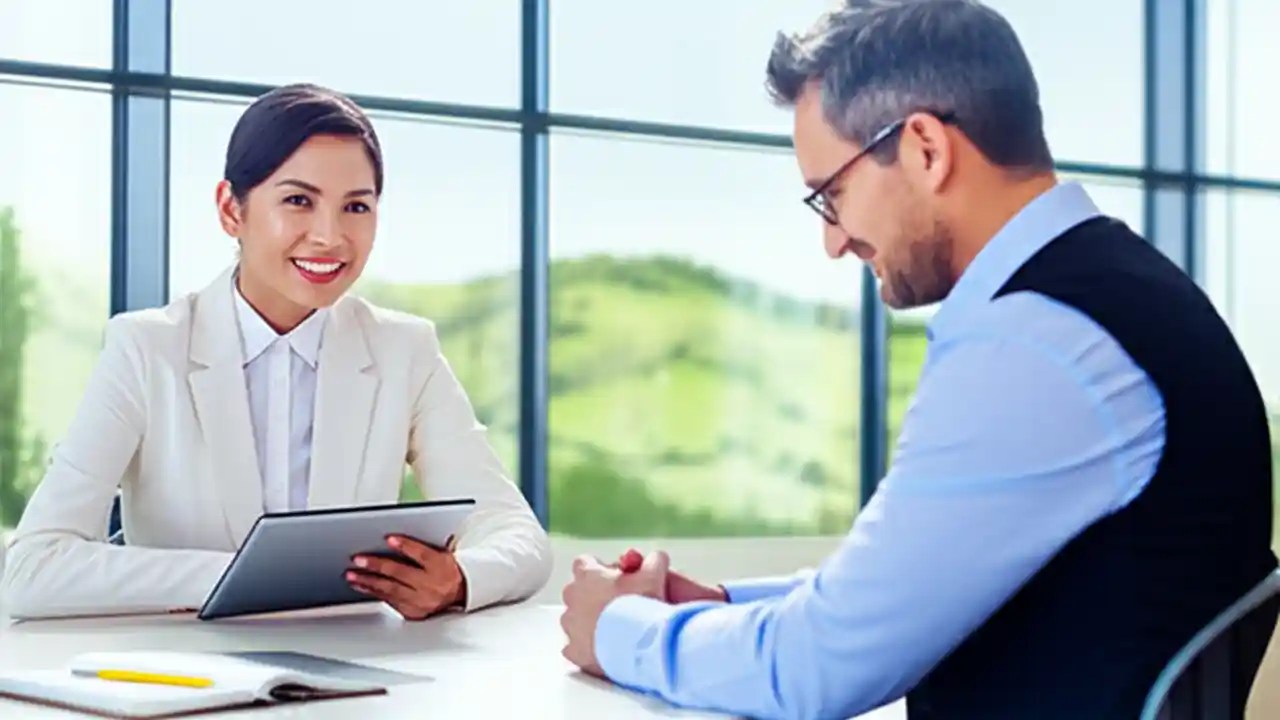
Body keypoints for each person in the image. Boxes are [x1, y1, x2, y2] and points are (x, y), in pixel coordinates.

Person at [559, 1, 1277, 718]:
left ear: (926, 148)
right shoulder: (1119, 298)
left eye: (831, 195)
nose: (833, 241)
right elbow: (912, 588)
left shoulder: (1038, 346)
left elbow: (813, 671)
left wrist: (617, 630)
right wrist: (719, 604)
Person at [1, 84, 551, 621]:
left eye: (356, 207)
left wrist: (458, 580)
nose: (330, 236)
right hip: (187, 679)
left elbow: (518, 536)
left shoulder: (404, 350)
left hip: (362, 676)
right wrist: (246, 578)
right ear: (230, 210)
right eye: (298, 201)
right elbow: (32, 567)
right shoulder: (147, 348)